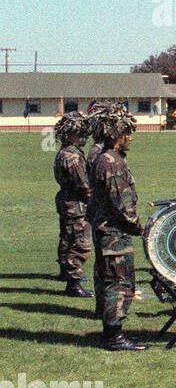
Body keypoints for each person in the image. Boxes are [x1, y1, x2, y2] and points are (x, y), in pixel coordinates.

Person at [87, 104, 146, 351]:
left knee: (116, 280)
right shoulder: (110, 162)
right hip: (113, 234)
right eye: (126, 133)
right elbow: (121, 204)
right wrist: (140, 228)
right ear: (114, 134)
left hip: (111, 231)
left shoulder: (108, 159)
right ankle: (113, 335)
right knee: (119, 283)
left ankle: (113, 332)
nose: (130, 138)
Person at [53, 112, 93, 298]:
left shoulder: (65, 153)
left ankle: (66, 273)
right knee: (79, 244)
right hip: (76, 204)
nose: (83, 137)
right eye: (79, 134)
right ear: (69, 135)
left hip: (67, 201)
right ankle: (74, 284)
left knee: (67, 239)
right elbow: (83, 185)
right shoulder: (72, 157)